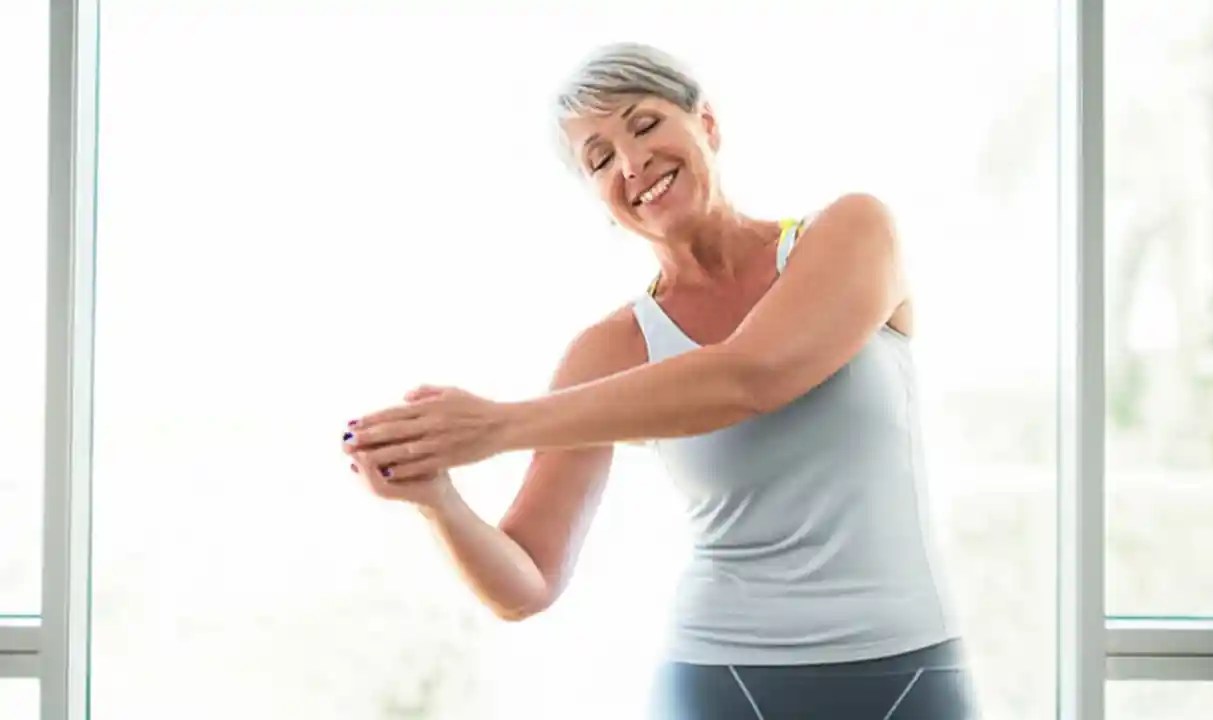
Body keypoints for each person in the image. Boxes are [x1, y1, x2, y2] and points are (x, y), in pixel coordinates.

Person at [341, 42, 978, 719]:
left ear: (706, 124)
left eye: (644, 125)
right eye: (599, 158)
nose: (631, 162)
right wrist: (438, 499)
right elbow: (526, 583)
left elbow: (751, 376)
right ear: (597, 197)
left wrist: (497, 425)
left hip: (909, 669)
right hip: (724, 679)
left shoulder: (851, 231)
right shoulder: (610, 351)